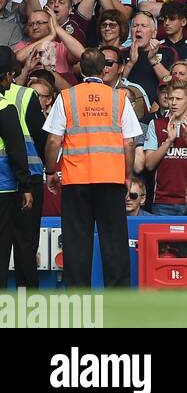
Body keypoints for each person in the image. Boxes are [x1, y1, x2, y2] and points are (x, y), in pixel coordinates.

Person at [43, 48, 142, 288]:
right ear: (103, 70)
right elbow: (129, 142)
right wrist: (127, 176)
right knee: (114, 240)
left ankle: (78, 299)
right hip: (110, 179)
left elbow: (54, 140)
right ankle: (118, 300)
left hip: (76, 180)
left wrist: (50, 172)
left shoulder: (67, 97)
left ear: (81, 69)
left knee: (76, 241)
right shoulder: (119, 98)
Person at [141, 79, 187, 215]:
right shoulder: (155, 124)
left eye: (178, 99)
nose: (173, 103)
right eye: (170, 98)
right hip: (162, 200)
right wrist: (168, 140)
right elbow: (149, 164)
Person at [0, 48, 37, 288]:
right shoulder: (5, 108)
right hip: (4, 190)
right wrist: (25, 185)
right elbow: (15, 151)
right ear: (5, 76)